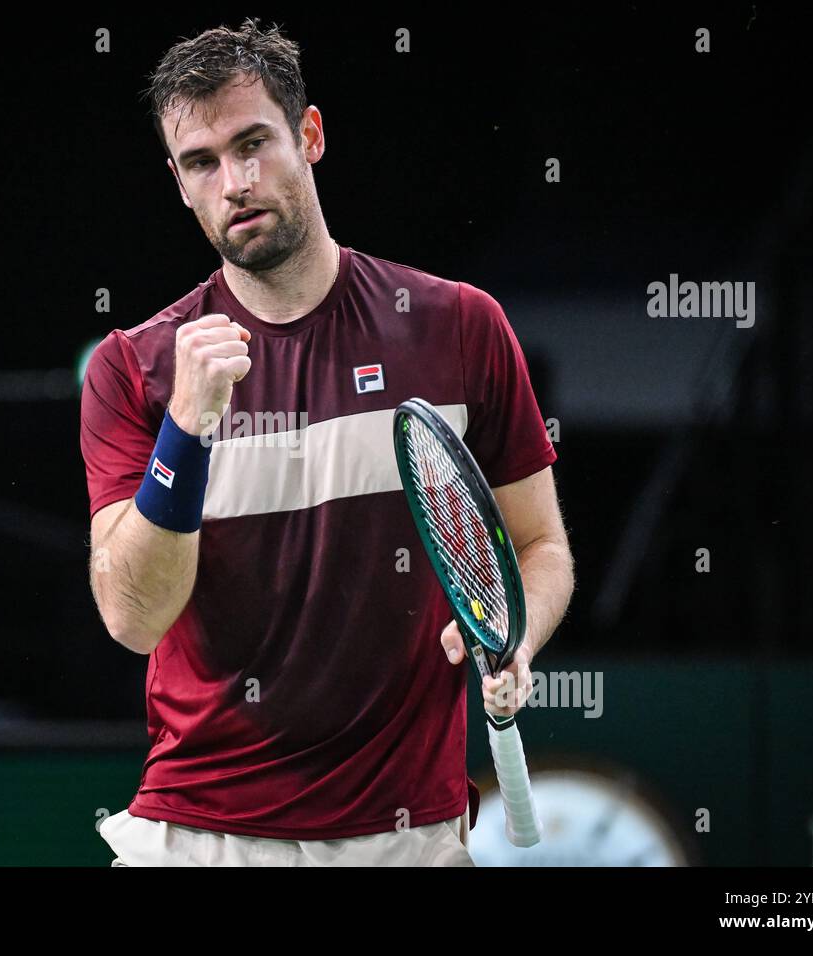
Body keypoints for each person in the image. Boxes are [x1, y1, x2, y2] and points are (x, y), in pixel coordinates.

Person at [80, 18, 573, 865]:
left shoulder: (459, 327)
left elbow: (538, 545)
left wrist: (515, 637)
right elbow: (132, 617)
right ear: (179, 184)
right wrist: (186, 431)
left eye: (253, 144)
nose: (234, 181)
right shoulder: (136, 368)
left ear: (309, 136)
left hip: (405, 835)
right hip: (199, 837)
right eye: (202, 163)